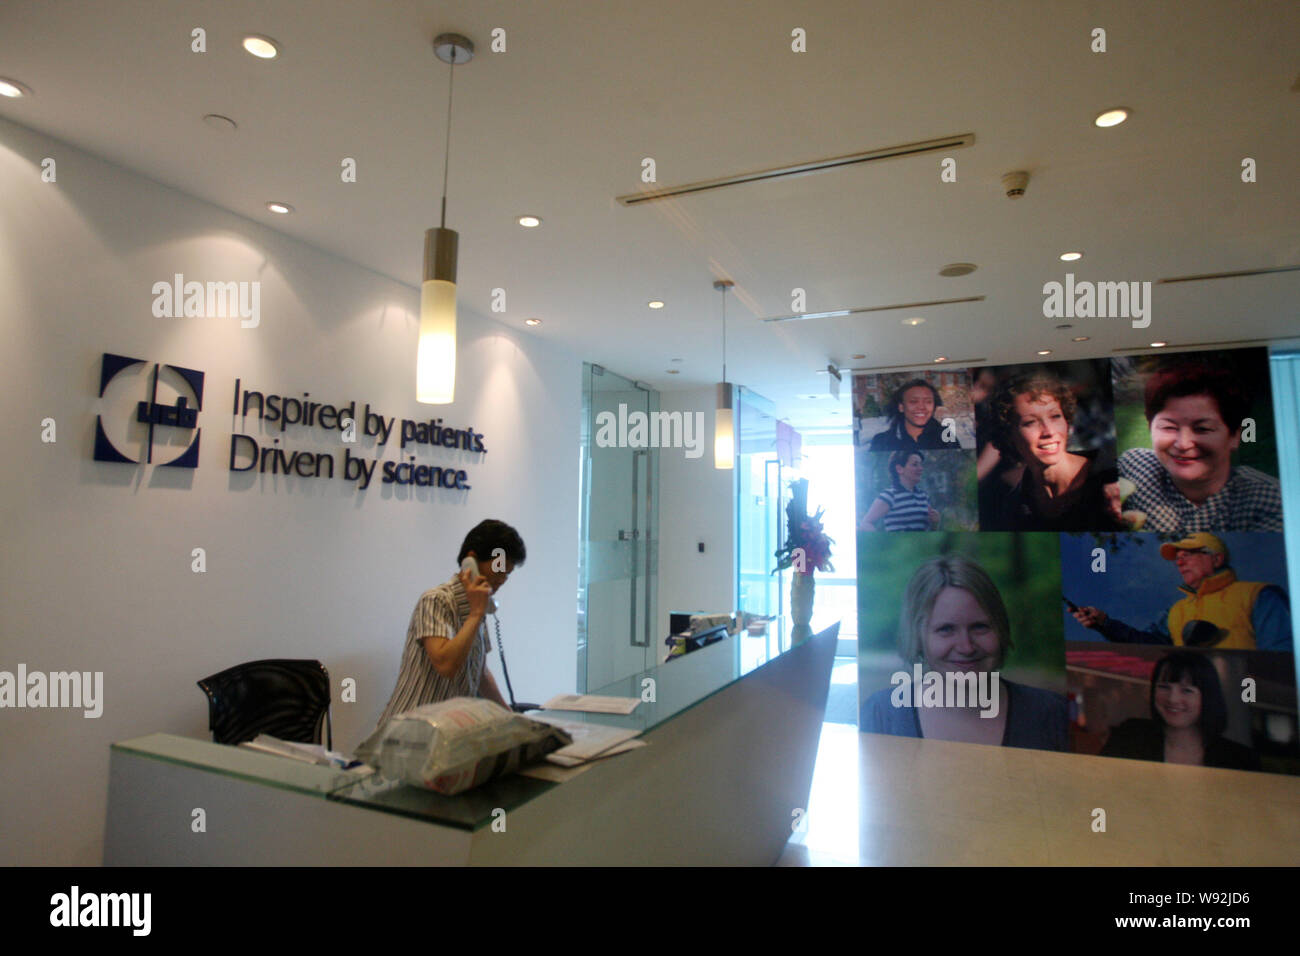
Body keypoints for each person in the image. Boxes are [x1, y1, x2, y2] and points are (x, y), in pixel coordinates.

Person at [859, 554, 1068, 750]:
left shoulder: (1052, 714)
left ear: (1001, 629)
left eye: (980, 627)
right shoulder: (882, 715)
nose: (966, 647)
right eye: (946, 629)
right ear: (918, 636)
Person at [371, 519, 526, 731]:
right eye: (498, 569)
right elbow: (446, 665)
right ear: (471, 561)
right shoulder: (436, 601)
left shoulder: (479, 605)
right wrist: (476, 614)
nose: (501, 580)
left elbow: (480, 673)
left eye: (507, 573)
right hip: (409, 732)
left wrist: (511, 717)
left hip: (445, 730)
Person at [1118, 363, 1282, 533]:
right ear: (1150, 427)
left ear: (1234, 436)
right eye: (1169, 427)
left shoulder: (1269, 500)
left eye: (1202, 429)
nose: (1183, 444)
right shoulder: (1133, 466)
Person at [1070, 533, 1291, 652]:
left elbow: (1280, 656)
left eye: (1189, 554)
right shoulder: (1176, 611)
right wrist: (1105, 623)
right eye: (1177, 558)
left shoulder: (1259, 595)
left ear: (1217, 559)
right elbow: (1146, 646)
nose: (1180, 562)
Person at [979, 372, 1123, 531]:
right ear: (1008, 435)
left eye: (1055, 416)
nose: (1048, 431)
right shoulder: (1014, 506)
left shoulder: (1114, 477)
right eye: (1030, 422)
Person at [1099, 651, 1259, 770]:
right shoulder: (1129, 736)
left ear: (1208, 696)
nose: (1173, 699)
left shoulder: (1239, 758)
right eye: (1164, 687)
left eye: (1187, 690)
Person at [867, 378, 957, 452]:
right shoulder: (882, 441)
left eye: (928, 401)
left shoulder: (946, 437)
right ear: (901, 407)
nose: (921, 407)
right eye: (913, 401)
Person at [860, 451, 940, 531]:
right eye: (915, 464)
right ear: (899, 469)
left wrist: (935, 523)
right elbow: (865, 523)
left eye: (920, 465)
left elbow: (929, 532)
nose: (920, 468)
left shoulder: (923, 496)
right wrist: (881, 539)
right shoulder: (889, 496)